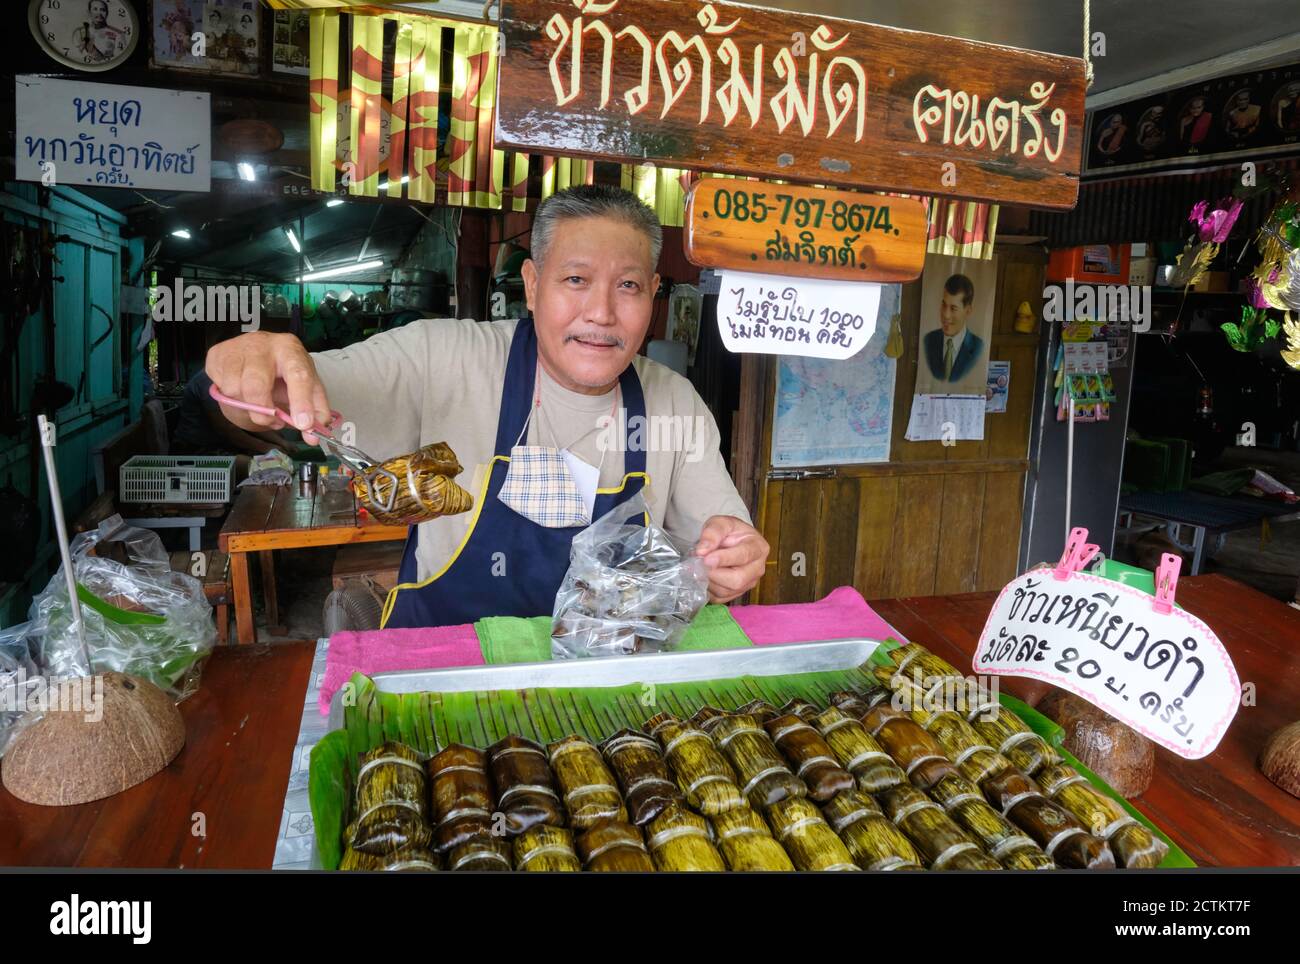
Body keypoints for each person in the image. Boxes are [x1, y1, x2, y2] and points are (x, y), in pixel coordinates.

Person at [205, 185, 769, 628]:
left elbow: (723, 547)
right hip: (441, 683)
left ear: (652, 291)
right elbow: (284, 394)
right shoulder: (440, 359)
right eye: (575, 279)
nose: (600, 312)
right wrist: (263, 366)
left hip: (606, 689)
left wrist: (731, 562)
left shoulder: (674, 403)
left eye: (627, 287)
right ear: (531, 282)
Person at [923, 274, 985, 384]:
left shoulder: (978, 348)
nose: (946, 315)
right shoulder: (928, 341)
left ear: (968, 311)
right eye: (944, 305)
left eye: (953, 308)